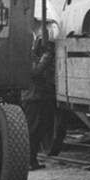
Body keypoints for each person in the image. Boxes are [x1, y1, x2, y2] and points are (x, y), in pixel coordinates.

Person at [24, 22, 57, 169]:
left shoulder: (29, 54)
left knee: (37, 130)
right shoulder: (26, 55)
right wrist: (47, 56)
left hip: (36, 97)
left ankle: (32, 160)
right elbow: (35, 72)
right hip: (33, 97)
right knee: (32, 130)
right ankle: (29, 161)